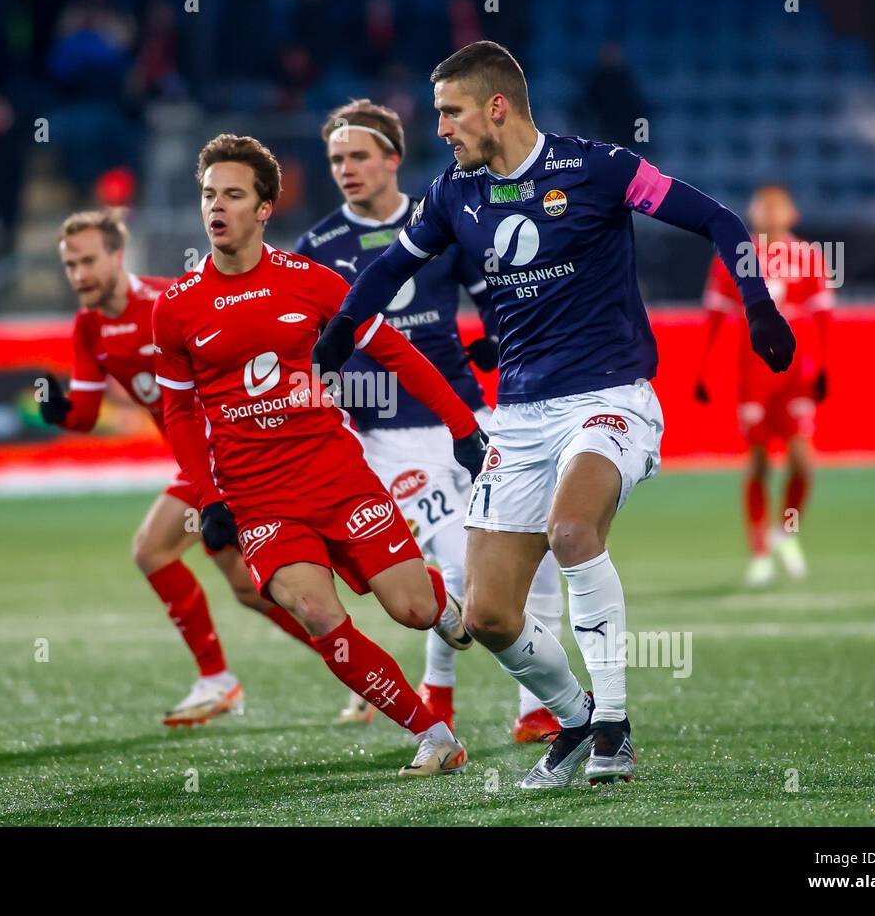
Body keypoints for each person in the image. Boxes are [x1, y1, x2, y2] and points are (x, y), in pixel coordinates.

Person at [313, 41, 795, 788]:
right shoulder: (452, 194)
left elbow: (719, 219)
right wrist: (342, 329)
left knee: (572, 531)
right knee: (489, 617)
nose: (440, 128)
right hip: (519, 419)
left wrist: (757, 302)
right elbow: (388, 268)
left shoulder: (598, 168)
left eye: (450, 112)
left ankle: (614, 727)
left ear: (495, 106)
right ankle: (573, 719)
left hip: (612, 401)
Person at [152, 134, 487, 776]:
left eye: (232, 195)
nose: (216, 208)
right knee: (315, 611)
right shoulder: (176, 309)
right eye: (207, 195)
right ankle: (434, 735)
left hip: (336, 476)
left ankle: (443, 605)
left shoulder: (313, 282)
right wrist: (208, 496)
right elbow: (179, 412)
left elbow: (395, 354)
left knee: (413, 610)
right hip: (258, 497)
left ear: (265, 207)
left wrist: (461, 426)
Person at [295, 98, 567, 743]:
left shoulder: (442, 216)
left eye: (359, 155)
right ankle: (439, 694)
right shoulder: (319, 246)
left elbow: (496, 292)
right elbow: (306, 347)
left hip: (466, 416)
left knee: (541, 550)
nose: (346, 169)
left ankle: (532, 709)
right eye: (337, 159)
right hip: (386, 438)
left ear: (392, 159)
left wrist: (499, 338)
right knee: (459, 567)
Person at [41, 210, 317, 727]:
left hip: (230, 452)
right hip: (199, 467)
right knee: (251, 589)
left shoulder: (168, 302)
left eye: (88, 261)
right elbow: (83, 412)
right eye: (70, 264)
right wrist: (57, 411)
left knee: (152, 550)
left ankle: (219, 678)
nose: (79, 274)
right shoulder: (87, 326)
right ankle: (345, 659)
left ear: (118, 256)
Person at [694, 184, 833, 587]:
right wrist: (702, 370)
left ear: (793, 213)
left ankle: (786, 533)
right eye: (763, 205)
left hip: (796, 372)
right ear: (753, 212)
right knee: (757, 460)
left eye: (778, 206)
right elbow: (716, 315)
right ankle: (759, 554)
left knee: (803, 460)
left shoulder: (808, 256)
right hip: (753, 372)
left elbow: (822, 316)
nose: (770, 212)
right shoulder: (735, 255)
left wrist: (825, 368)